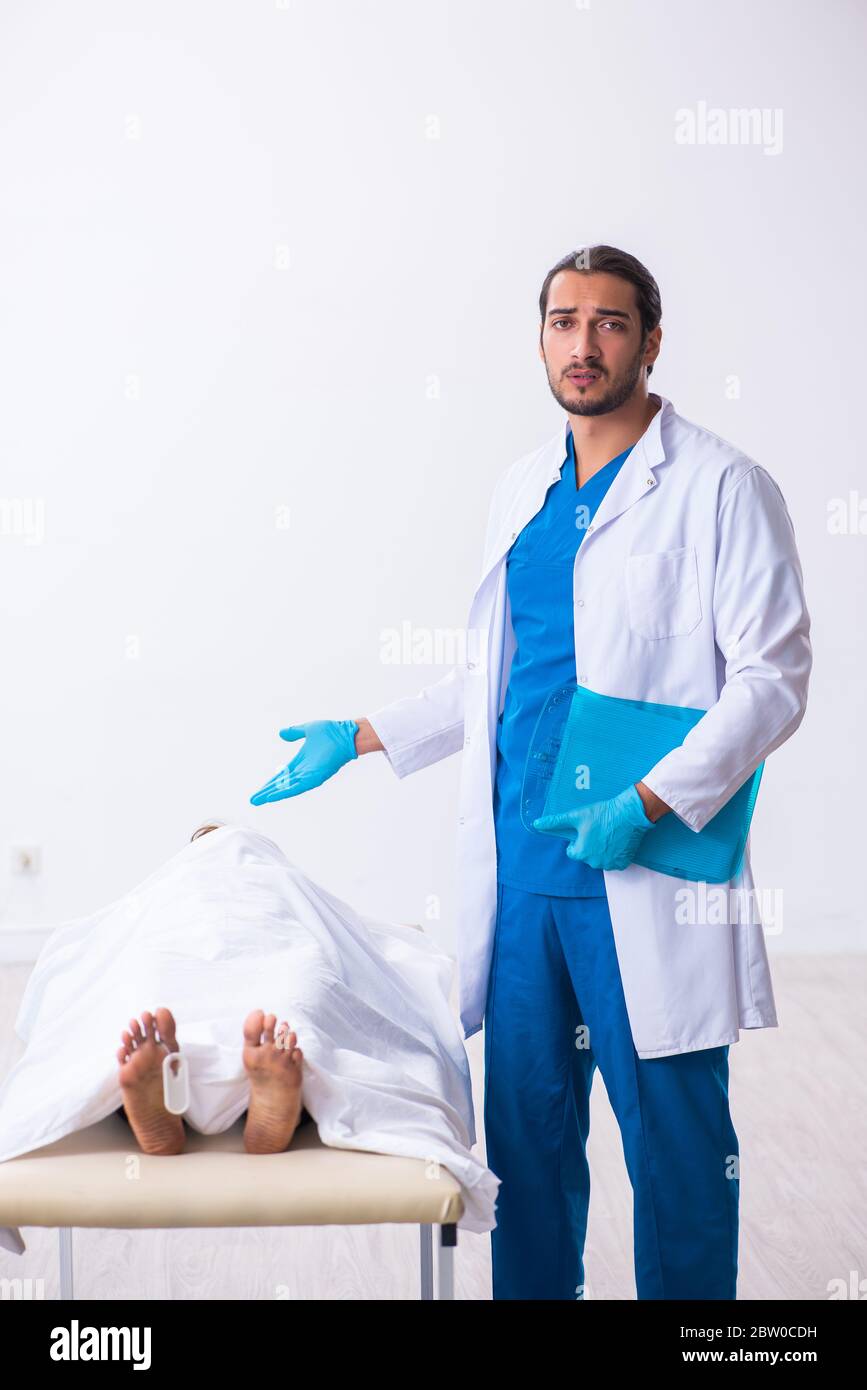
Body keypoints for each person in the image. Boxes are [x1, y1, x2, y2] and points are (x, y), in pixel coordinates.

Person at [249, 245, 812, 1300]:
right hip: (522, 881)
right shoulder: (523, 488)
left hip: (642, 872)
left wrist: (649, 799)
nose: (583, 343)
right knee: (526, 1147)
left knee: (680, 1149)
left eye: (608, 322)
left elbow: (773, 679)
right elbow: (494, 680)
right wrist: (362, 733)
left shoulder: (723, 487)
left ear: (650, 341)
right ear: (541, 338)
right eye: (563, 321)